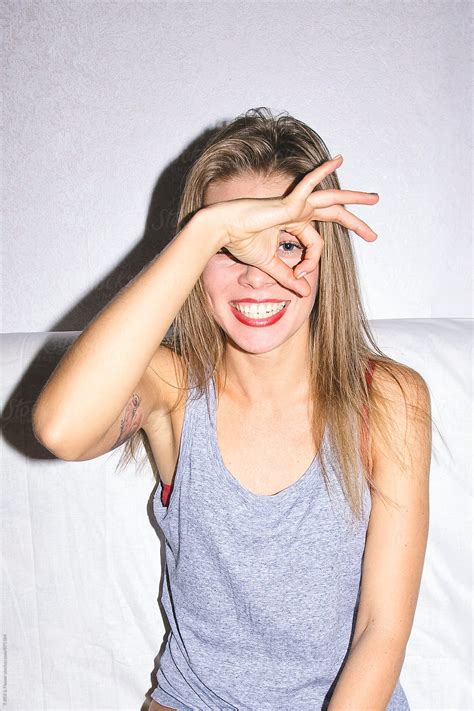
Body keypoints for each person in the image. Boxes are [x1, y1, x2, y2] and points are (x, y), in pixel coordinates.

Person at [32, 107, 432, 710]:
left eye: (288, 245)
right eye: (232, 248)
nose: (259, 276)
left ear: (329, 260)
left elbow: (382, 627)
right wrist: (200, 233)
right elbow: (61, 431)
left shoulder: (390, 399)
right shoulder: (171, 386)